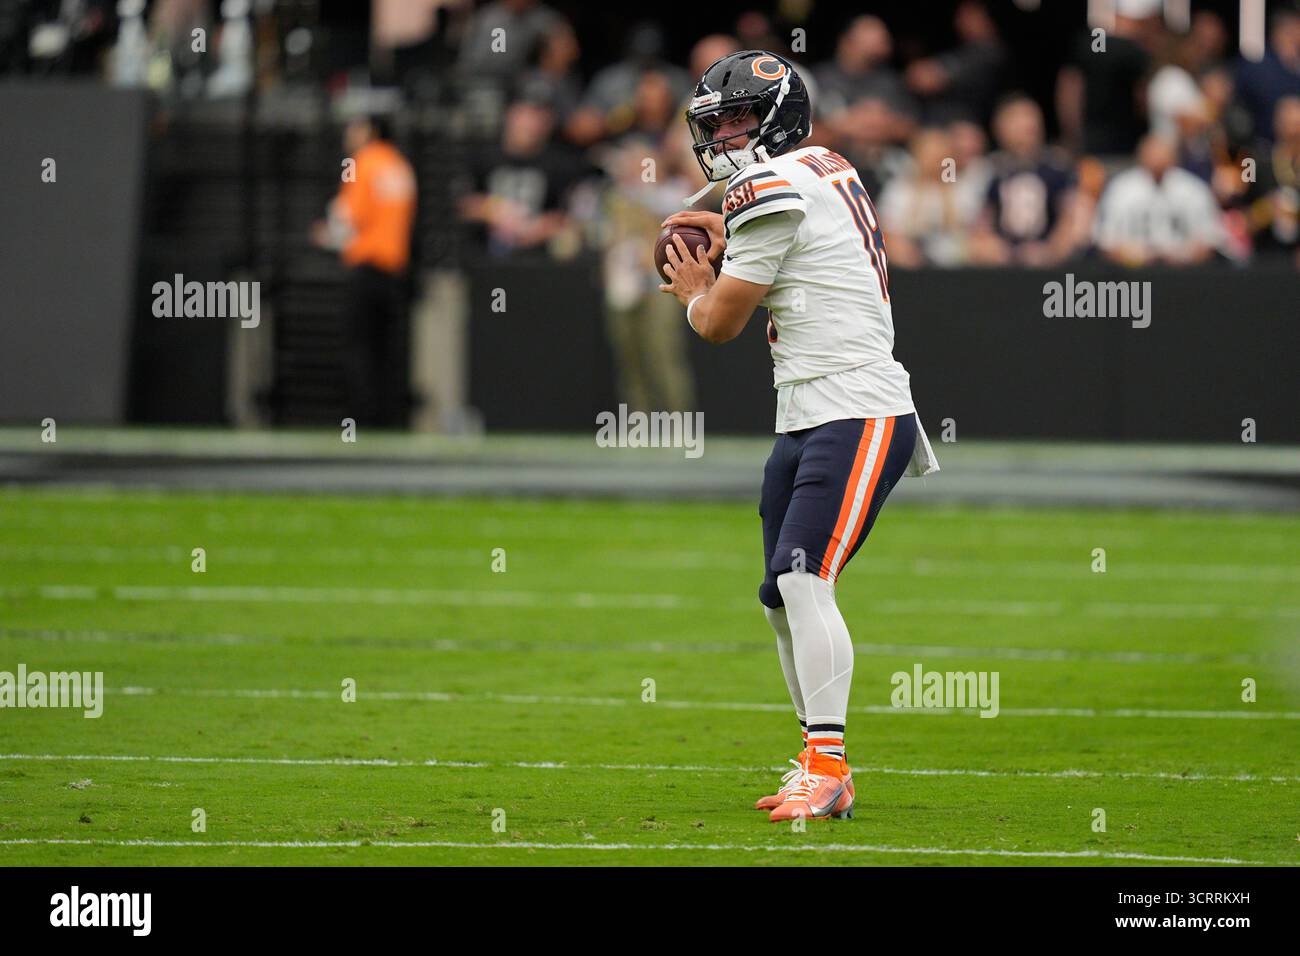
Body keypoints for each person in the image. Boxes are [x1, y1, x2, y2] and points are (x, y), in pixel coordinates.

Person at [658, 50, 939, 823]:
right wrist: (718, 222)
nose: (723, 135)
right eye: (713, 123)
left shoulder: (768, 184)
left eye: (739, 119)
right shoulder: (821, 164)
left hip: (856, 406)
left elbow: (719, 324)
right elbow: (777, 222)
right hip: (809, 411)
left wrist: (694, 288)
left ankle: (829, 766)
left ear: (776, 118)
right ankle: (814, 759)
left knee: (805, 575)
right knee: (781, 597)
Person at [311, 115, 417, 427]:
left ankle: (362, 419)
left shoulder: (364, 162)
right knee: (389, 350)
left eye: (354, 127)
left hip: (367, 268)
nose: (348, 133)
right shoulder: (400, 165)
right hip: (395, 270)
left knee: (359, 348)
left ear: (369, 131)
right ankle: (391, 419)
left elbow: (346, 220)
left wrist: (324, 235)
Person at [1093, 132, 1223, 266]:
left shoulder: (1193, 189)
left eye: (1163, 153)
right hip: (1133, 275)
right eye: (1153, 153)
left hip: (1184, 275)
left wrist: (1181, 256)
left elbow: (1210, 240)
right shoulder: (1121, 190)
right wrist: (1135, 257)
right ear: (1141, 156)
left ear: (1174, 156)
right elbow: (1105, 241)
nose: (1158, 159)